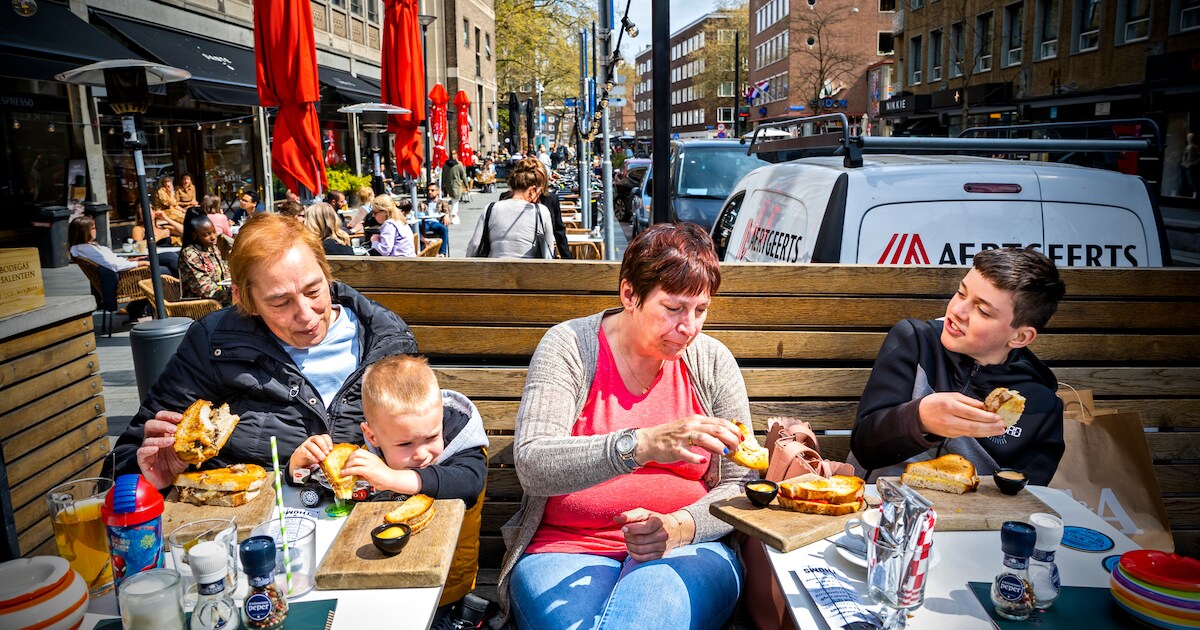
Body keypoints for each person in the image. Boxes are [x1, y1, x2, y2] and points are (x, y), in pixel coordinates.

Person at [495, 223, 751, 629]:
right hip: (566, 547)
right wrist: (639, 445)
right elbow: (532, 465)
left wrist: (680, 527)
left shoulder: (712, 361)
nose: (689, 326)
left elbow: (741, 485)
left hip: (687, 548)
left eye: (700, 309)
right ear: (630, 294)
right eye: (673, 308)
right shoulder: (570, 347)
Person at [108, 213, 418, 487]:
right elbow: (124, 461)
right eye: (280, 302)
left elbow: (431, 443)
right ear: (244, 300)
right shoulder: (213, 343)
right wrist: (151, 474)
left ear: (327, 274)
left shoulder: (386, 341)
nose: (306, 314)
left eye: (314, 290)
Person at [849, 247, 1067, 486]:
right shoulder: (915, 341)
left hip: (972, 520)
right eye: (961, 293)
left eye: (982, 311)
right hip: (881, 504)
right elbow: (865, 447)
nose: (957, 311)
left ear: (1020, 337)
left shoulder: (1041, 404)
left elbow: (1027, 497)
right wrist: (919, 419)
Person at [292, 355, 488, 613]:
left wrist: (392, 478)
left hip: (446, 584)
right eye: (406, 444)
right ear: (373, 435)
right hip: (376, 574)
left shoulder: (462, 447)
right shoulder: (367, 450)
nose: (421, 454)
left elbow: (469, 483)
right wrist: (298, 469)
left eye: (432, 436)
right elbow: (329, 489)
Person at [465, 157, 556, 259]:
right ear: (532, 190)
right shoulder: (541, 212)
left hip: (494, 272)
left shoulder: (491, 209)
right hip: (529, 273)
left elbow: (474, 245)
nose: (539, 195)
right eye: (539, 191)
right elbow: (549, 251)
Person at [497, 160, 572, 259]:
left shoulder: (550, 200)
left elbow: (559, 232)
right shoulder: (506, 200)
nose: (536, 188)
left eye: (539, 183)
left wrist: (567, 260)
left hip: (542, 257)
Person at [178, 210, 231, 306]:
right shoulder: (190, 254)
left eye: (214, 232)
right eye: (207, 234)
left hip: (220, 300)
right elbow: (204, 288)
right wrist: (229, 296)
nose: (213, 237)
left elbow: (225, 273)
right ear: (194, 236)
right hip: (202, 305)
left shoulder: (212, 247)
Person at [68, 215, 148, 272]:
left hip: (125, 265)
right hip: (127, 273)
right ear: (84, 232)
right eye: (93, 228)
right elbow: (115, 266)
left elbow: (111, 260)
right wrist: (140, 263)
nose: (95, 230)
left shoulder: (85, 247)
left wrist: (129, 260)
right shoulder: (86, 249)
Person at [419, 184, 452, 256]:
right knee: (417, 227)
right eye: (428, 190)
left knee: (444, 229)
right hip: (425, 222)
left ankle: (442, 252)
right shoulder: (423, 203)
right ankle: (424, 250)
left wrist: (446, 215)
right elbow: (418, 213)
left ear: (438, 192)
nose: (430, 192)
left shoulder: (442, 202)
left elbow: (447, 211)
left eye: (432, 190)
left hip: (436, 222)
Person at [441, 157, 468, 225]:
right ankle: (454, 213)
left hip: (448, 185)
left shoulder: (445, 165)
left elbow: (443, 176)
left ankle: (454, 213)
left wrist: (442, 186)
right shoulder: (459, 165)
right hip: (457, 184)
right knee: (456, 199)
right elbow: (463, 176)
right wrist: (466, 185)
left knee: (454, 199)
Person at [1182, 132, 1199, 199]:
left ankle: (1195, 193)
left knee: (1192, 180)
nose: (1189, 139)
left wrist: (1194, 163)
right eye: (1188, 137)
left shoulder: (1195, 147)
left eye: (1190, 137)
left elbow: (1198, 157)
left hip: (1192, 165)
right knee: (1186, 180)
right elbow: (1184, 156)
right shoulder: (1186, 147)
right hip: (1186, 165)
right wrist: (1184, 162)